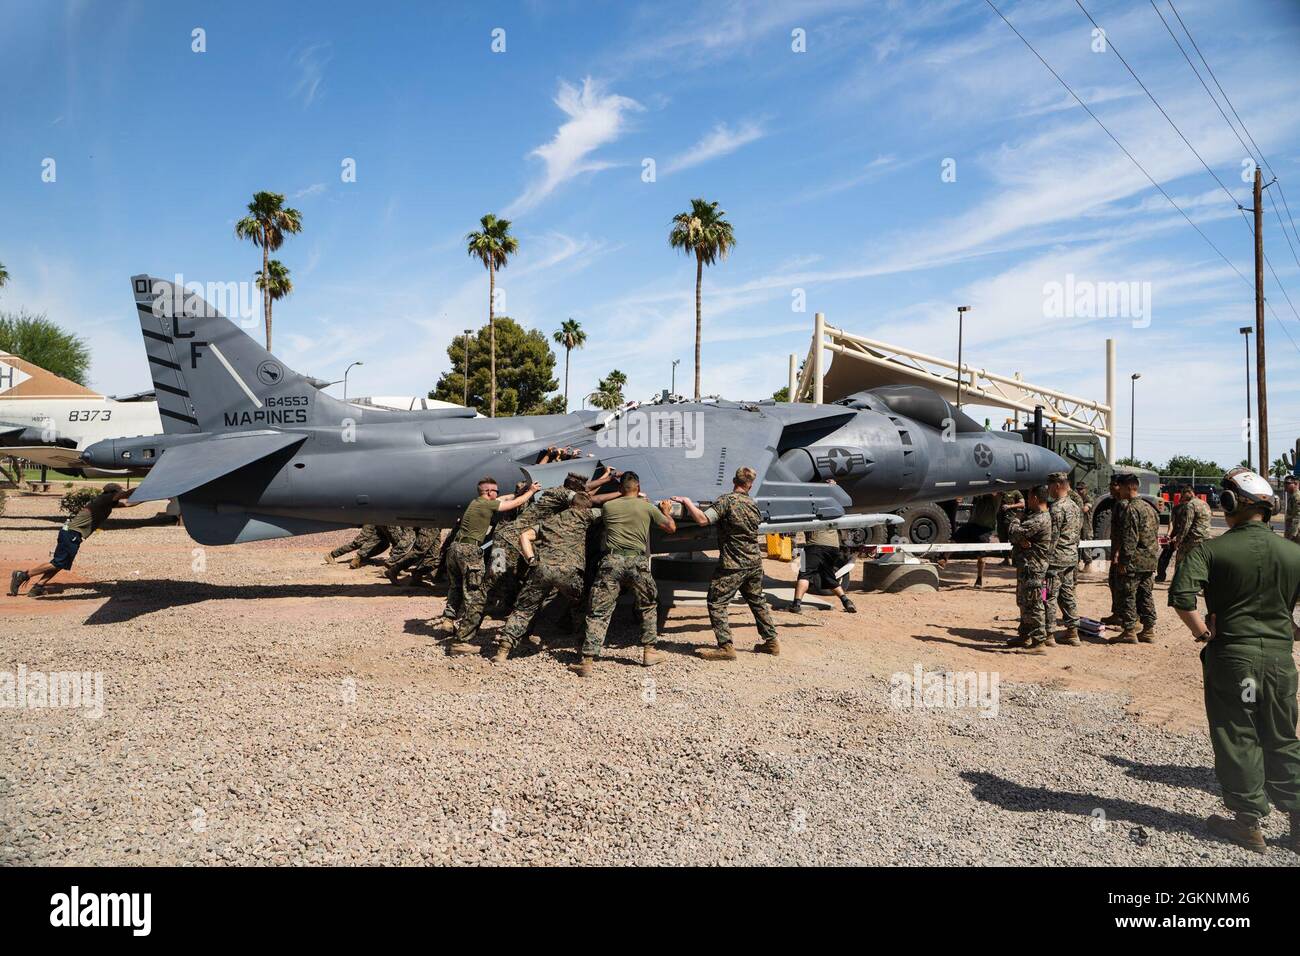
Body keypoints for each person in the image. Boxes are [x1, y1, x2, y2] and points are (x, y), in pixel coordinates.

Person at [1169, 468, 1300, 854]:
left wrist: (1203, 634)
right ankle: (1297, 826)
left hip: (1232, 660)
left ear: (1230, 505)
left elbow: (1182, 599)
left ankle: (1248, 825)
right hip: (1279, 660)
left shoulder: (1210, 550)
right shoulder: (1294, 552)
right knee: (1282, 737)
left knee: (1238, 734)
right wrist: (1288, 629)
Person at [572, 472, 676, 676]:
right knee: (647, 606)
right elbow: (670, 527)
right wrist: (665, 510)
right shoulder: (646, 507)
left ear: (620, 489)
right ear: (638, 487)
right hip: (637, 562)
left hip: (611, 562)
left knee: (599, 610)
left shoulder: (609, 507)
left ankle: (588, 661)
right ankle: (649, 652)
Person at [673, 467, 780, 660]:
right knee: (757, 601)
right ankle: (771, 642)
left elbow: (703, 520)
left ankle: (726, 647)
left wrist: (687, 502)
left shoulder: (727, 501)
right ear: (750, 484)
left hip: (733, 564)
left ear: (734, 481)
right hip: (754, 562)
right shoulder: (752, 504)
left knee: (716, 602)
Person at [492, 492, 600, 663]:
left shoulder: (550, 520)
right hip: (569, 571)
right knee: (580, 609)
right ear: (586, 507)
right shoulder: (587, 515)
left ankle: (503, 650)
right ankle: (582, 653)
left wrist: (531, 558)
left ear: (570, 504)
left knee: (524, 608)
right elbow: (609, 512)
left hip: (542, 568)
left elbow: (524, 536)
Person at [445, 476, 540, 656]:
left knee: (465, 585)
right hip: (477, 551)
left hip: (460, 548)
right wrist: (530, 492)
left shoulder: (478, 503)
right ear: (488, 492)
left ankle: (451, 620)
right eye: (495, 491)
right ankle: (463, 636)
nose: (498, 493)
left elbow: (506, 498)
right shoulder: (505, 511)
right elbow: (513, 502)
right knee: (477, 593)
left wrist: (520, 492)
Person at [10, 483, 141, 596]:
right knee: (58, 562)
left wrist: (147, 498)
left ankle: (39, 586)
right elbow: (126, 494)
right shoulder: (105, 498)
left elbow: (129, 503)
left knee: (62, 562)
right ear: (113, 492)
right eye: (119, 491)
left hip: (73, 534)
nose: (121, 492)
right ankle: (23, 575)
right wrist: (143, 488)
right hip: (71, 533)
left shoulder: (108, 503)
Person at [1109, 474, 1159, 645]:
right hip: (1150, 559)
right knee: (1146, 595)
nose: (1118, 491)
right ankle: (1149, 630)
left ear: (1128, 488)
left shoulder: (1132, 508)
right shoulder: (1149, 507)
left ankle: (1129, 630)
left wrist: (1123, 561)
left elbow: (1130, 539)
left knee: (1128, 594)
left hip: (1134, 561)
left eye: (1120, 487)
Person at [1005, 485, 1052, 653]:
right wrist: (1021, 540)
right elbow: (1020, 537)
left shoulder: (1039, 519)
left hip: (1034, 568)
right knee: (1024, 602)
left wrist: (1016, 519)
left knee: (1035, 603)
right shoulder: (1037, 517)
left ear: (1035, 499)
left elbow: (1014, 533)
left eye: (1029, 497)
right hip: (1028, 567)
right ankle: (1024, 635)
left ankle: (1039, 641)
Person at [1045, 472, 1083, 646]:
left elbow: (1052, 538)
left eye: (1050, 485)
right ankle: (1072, 632)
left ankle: (1048, 634)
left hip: (1055, 560)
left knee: (1048, 595)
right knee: (1067, 594)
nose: (1048, 489)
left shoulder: (1056, 508)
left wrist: (1045, 558)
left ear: (1058, 485)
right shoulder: (1075, 506)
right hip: (1071, 557)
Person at [939, 492, 999, 587]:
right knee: (954, 539)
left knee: (981, 557)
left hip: (984, 528)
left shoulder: (995, 494)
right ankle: (944, 559)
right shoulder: (979, 495)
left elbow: (994, 492)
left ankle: (979, 579)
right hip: (972, 524)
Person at [1100, 477, 1129, 626]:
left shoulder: (1124, 505)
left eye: (1114, 485)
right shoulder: (1117, 503)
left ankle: (1126, 617)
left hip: (1122, 552)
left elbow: (1125, 532)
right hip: (1116, 549)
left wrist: (1118, 553)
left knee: (1122, 586)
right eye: (1110, 485)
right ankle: (1117, 613)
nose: (1111, 488)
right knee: (1113, 582)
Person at [996, 489, 1024, 566]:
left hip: (1011, 520)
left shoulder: (1015, 492)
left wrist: (1009, 506)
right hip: (1001, 519)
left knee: (1013, 540)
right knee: (1002, 539)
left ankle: (1015, 560)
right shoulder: (1000, 491)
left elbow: (1022, 504)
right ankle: (1006, 560)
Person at [1284, 475, 1299, 543]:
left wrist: (1292, 535)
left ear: (1295, 484)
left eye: (1287, 483)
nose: (1285, 485)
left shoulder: (1297, 497)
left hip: (1296, 534)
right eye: (1284, 483)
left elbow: (1298, 517)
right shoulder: (1292, 496)